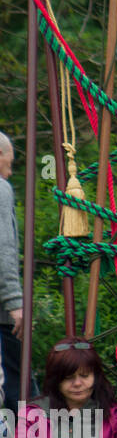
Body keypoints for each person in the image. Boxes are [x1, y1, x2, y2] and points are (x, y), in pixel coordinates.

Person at [0, 131, 26, 416]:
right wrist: (14, 301)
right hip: (3, 313)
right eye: (10, 160)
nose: (11, 166)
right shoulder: (1, 187)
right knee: (16, 387)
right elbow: (3, 247)